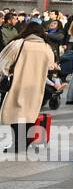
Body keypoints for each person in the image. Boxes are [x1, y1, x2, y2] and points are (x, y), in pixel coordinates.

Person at [0, 21, 56, 154]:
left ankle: (18, 143)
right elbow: (51, 66)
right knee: (29, 114)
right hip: (36, 85)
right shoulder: (46, 47)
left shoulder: (19, 44)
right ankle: (24, 142)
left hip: (18, 83)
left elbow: (3, 63)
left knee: (16, 114)